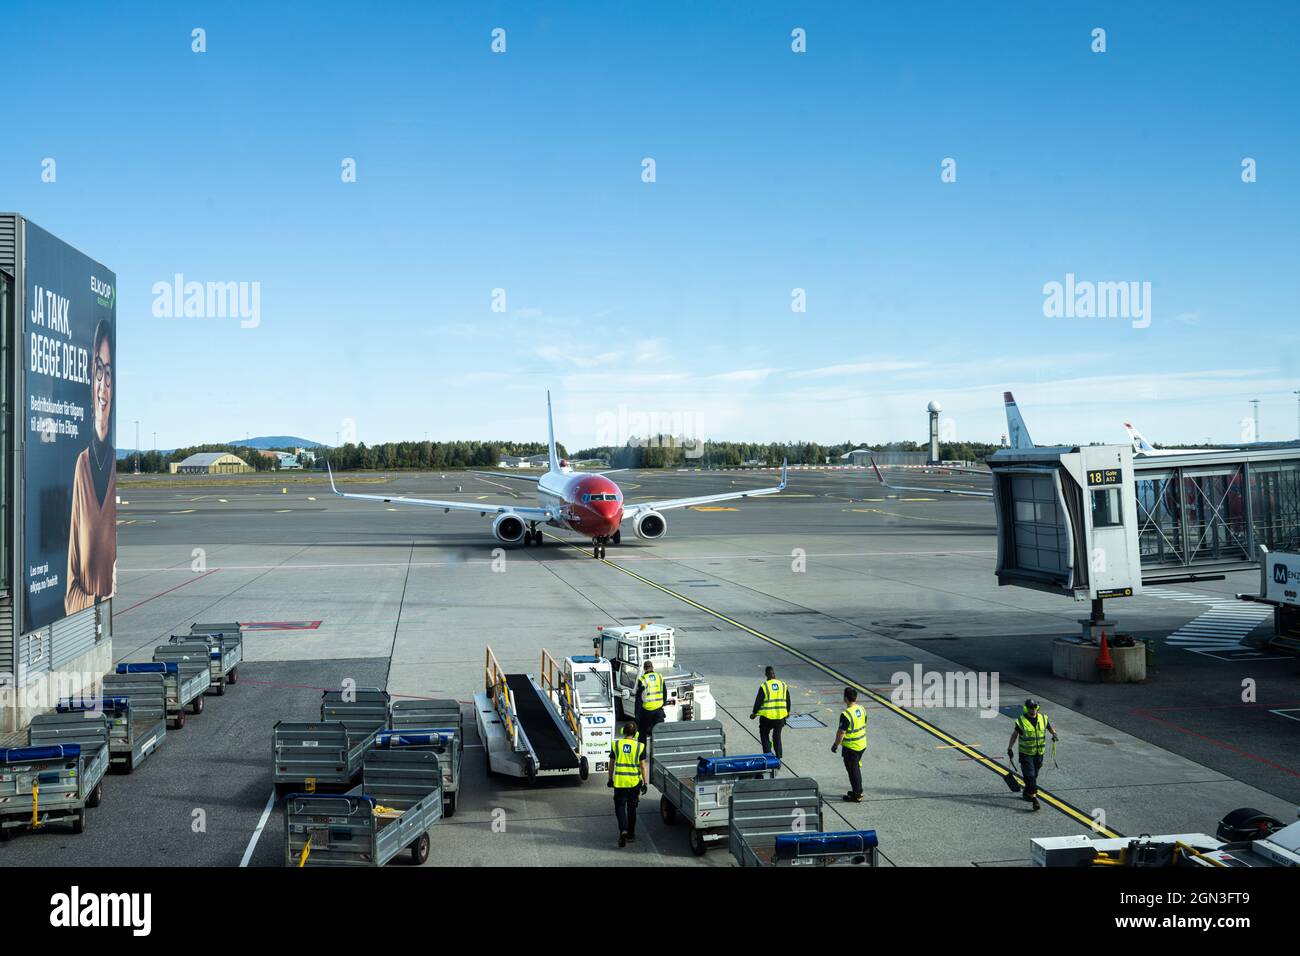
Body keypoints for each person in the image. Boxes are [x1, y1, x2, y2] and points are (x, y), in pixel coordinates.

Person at [65, 318, 117, 615]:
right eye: (98, 371)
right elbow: (69, 594)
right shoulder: (82, 466)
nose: (103, 386)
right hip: (92, 616)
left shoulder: (112, 467)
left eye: (109, 374)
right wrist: (100, 600)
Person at [1007, 698, 1058, 811]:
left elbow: (1049, 727)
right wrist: (1010, 748)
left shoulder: (1043, 718)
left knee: (1033, 776)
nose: (1033, 709)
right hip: (1026, 754)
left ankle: (1027, 792)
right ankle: (1034, 799)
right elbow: (1015, 735)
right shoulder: (1021, 721)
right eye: (1031, 707)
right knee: (1030, 777)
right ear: (1026, 708)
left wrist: (1054, 734)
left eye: (1035, 707)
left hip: (1039, 753)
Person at [608, 720, 648, 847]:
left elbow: (611, 764)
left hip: (620, 782)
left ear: (622, 731)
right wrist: (645, 782)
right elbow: (642, 766)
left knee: (620, 807)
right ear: (636, 734)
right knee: (632, 808)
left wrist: (610, 779)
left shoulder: (616, 745)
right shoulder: (640, 746)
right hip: (634, 783)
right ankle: (631, 834)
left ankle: (623, 829)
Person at [830, 686, 867, 802]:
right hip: (862, 744)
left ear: (845, 698)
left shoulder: (846, 714)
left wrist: (835, 745)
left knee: (853, 770)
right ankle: (857, 790)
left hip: (851, 747)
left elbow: (841, 732)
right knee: (855, 768)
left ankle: (857, 794)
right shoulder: (862, 709)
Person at [749, 665, 790, 758]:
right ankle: (778, 757)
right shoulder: (783, 685)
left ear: (766, 675)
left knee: (764, 735)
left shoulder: (764, 686)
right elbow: (788, 700)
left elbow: (758, 702)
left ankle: (768, 756)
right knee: (777, 737)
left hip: (767, 717)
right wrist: (787, 712)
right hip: (780, 717)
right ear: (774, 674)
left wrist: (754, 713)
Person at [635, 660, 665, 742]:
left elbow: (639, 699)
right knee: (659, 734)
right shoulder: (660, 677)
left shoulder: (642, 679)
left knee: (642, 733)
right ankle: (658, 752)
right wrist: (662, 705)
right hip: (659, 711)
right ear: (652, 668)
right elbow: (665, 693)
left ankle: (643, 753)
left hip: (647, 711)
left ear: (644, 669)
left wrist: (637, 714)